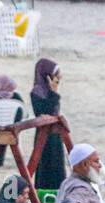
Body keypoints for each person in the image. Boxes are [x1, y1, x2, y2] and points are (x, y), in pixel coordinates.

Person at [29, 59, 65, 192]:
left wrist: (54, 92)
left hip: (55, 135)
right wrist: (53, 93)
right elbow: (46, 113)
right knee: (45, 167)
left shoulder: (49, 91)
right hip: (44, 135)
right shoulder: (37, 92)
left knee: (57, 169)